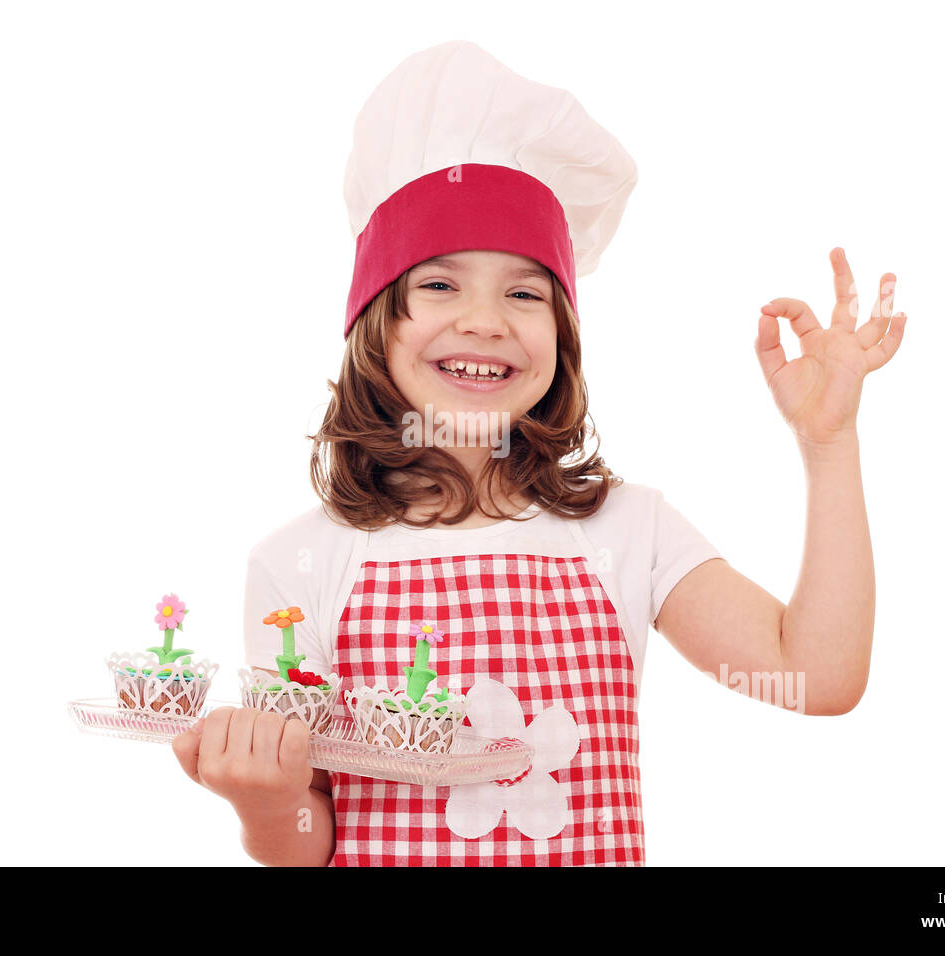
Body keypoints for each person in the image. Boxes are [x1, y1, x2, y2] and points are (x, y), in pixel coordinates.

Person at [171, 40, 906, 866]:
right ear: (375, 325)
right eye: (440, 284)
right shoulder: (298, 563)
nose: (486, 320)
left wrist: (828, 441)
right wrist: (265, 802)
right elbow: (304, 844)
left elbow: (814, 676)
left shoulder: (631, 530)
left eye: (524, 292)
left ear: (561, 336)